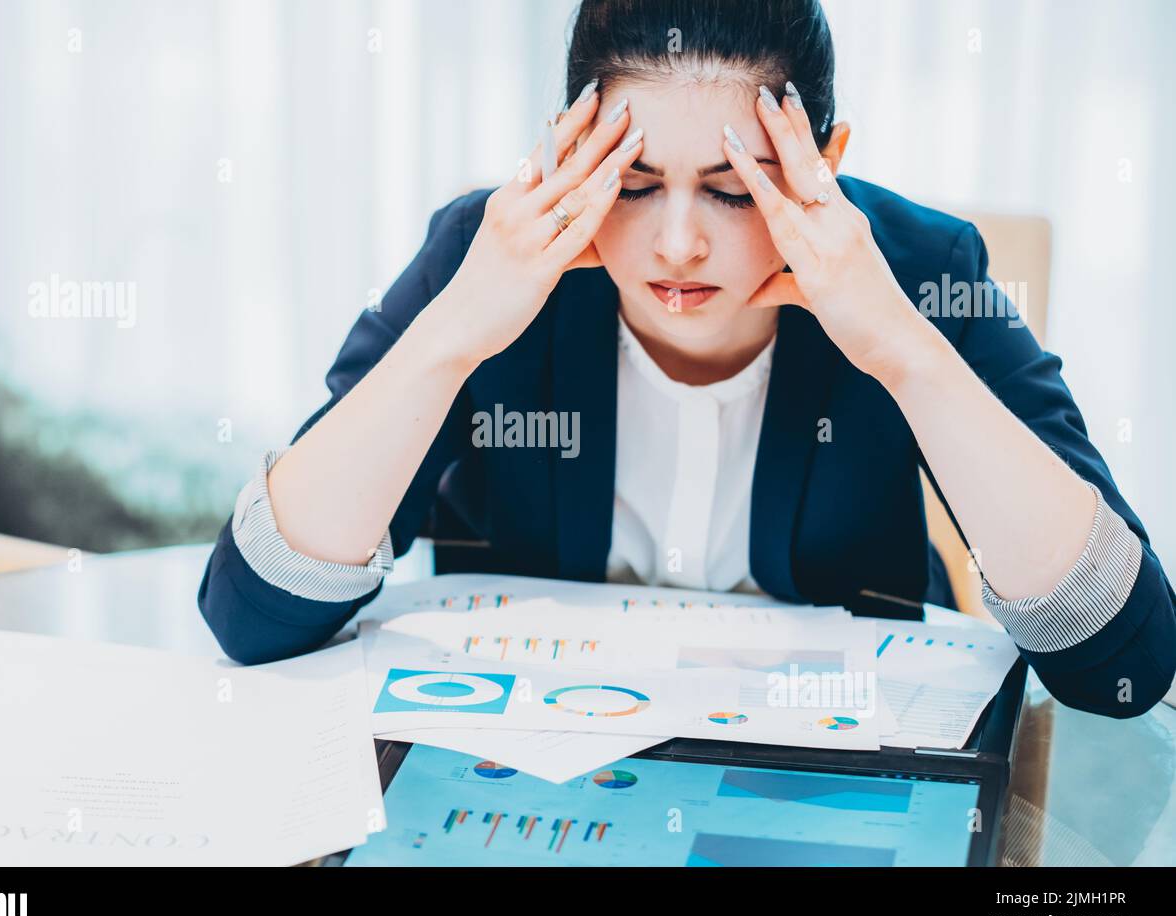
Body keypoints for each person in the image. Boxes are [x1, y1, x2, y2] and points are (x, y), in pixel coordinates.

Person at [198, 0, 1175, 717]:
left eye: (732, 190)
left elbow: (1123, 659)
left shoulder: (915, 270)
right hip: (531, 755)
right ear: (566, 153)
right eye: (630, 183)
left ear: (822, 162)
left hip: (827, 769)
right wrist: (453, 334)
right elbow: (252, 616)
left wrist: (904, 353)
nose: (674, 245)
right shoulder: (490, 256)